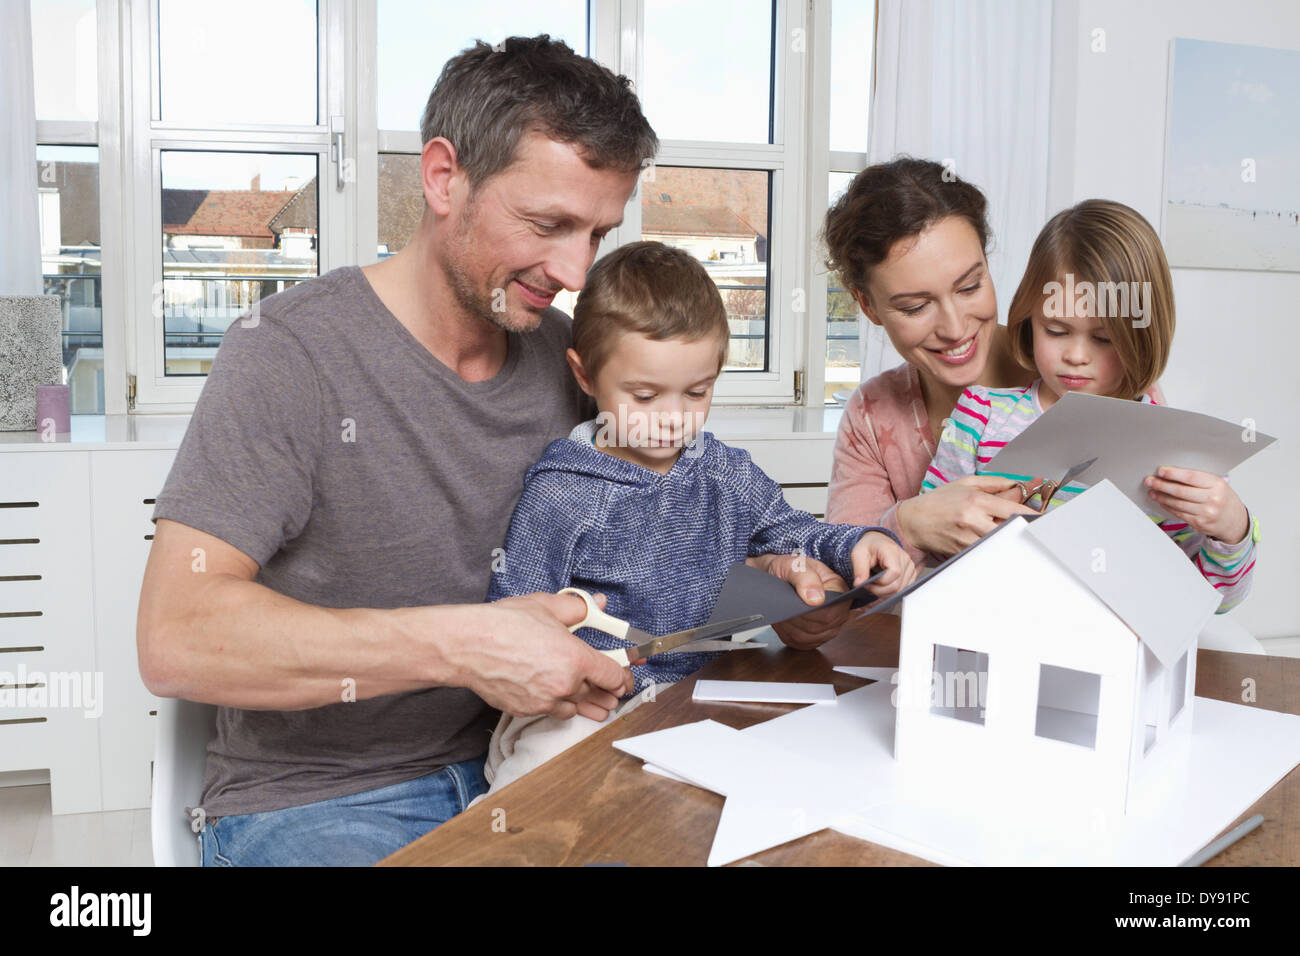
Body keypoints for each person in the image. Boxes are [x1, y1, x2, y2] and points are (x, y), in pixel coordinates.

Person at [136, 36, 847, 867]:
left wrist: (764, 596)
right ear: (444, 178)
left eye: (597, 232)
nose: (577, 270)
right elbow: (176, 637)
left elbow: (648, 548)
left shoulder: (572, 356)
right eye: (549, 224)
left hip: (553, 758)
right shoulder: (290, 354)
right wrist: (465, 645)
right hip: (329, 800)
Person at [481, 242, 917, 793]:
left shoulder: (723, 473)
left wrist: (856, 544)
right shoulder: (563, 494)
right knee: (539, 805)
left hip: (696, 689)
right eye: (644, 395)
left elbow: (793, 530)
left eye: (696, 392)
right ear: (585, 375)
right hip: (581, 704)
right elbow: (509, 617)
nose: (671, 419)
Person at [822, 157, 1164, 564]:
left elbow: (1166, 552)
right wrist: (908, 523)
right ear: (869, 306)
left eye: (970, 286)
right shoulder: (872, 416)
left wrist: (1231, 529)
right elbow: (843, 583)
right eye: (915, 306)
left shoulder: (1098, 380)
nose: (953, 328)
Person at [921, 199, 1258, 611]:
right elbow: (932, 548)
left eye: (1103, 338)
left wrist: (1232, 528)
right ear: (1029, 318)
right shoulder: (980, 414)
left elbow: (1212, 601)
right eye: (1057, 330)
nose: (1076, 355)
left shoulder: (1167, 446)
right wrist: (981, 525)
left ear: (1142, 335)